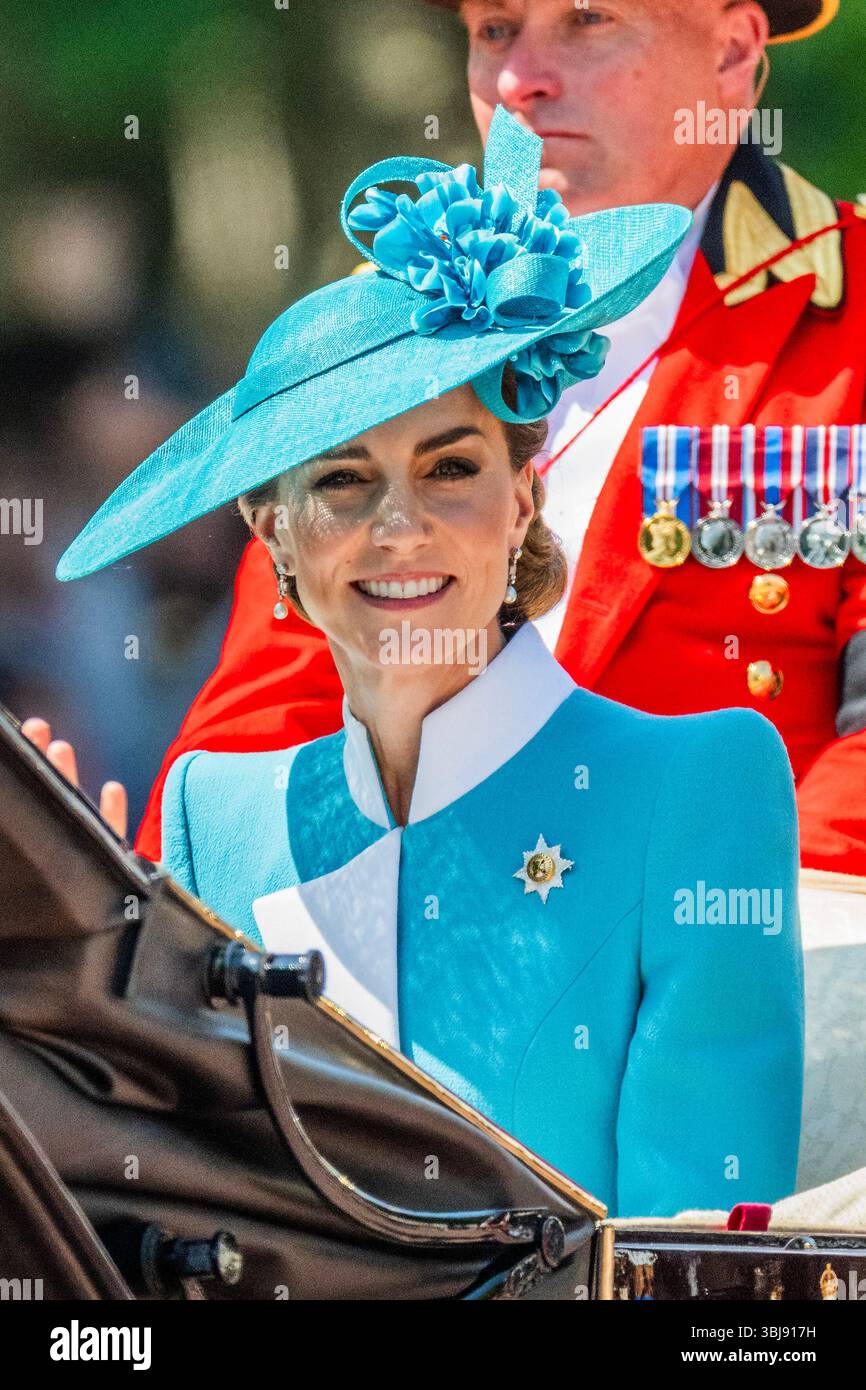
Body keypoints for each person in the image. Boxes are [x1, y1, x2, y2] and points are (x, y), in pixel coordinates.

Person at [39, 113, 802, 1218]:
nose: (399, 525)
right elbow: (163, 1222)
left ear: (524, 502)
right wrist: (68, 973)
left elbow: (699, 1267)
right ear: (276, 539)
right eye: (343, 482)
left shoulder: (702, 784)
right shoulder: (213, 812)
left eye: (449, 466)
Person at [127, 0, 866, 882]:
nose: (522, 81)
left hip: (736, 960)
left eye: (587, 20)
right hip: (404, 966)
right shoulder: (386, 324)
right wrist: (144, 913)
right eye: (495, 31)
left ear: (734, 51)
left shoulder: (848, 305)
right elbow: (272, 702)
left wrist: (680, 953)